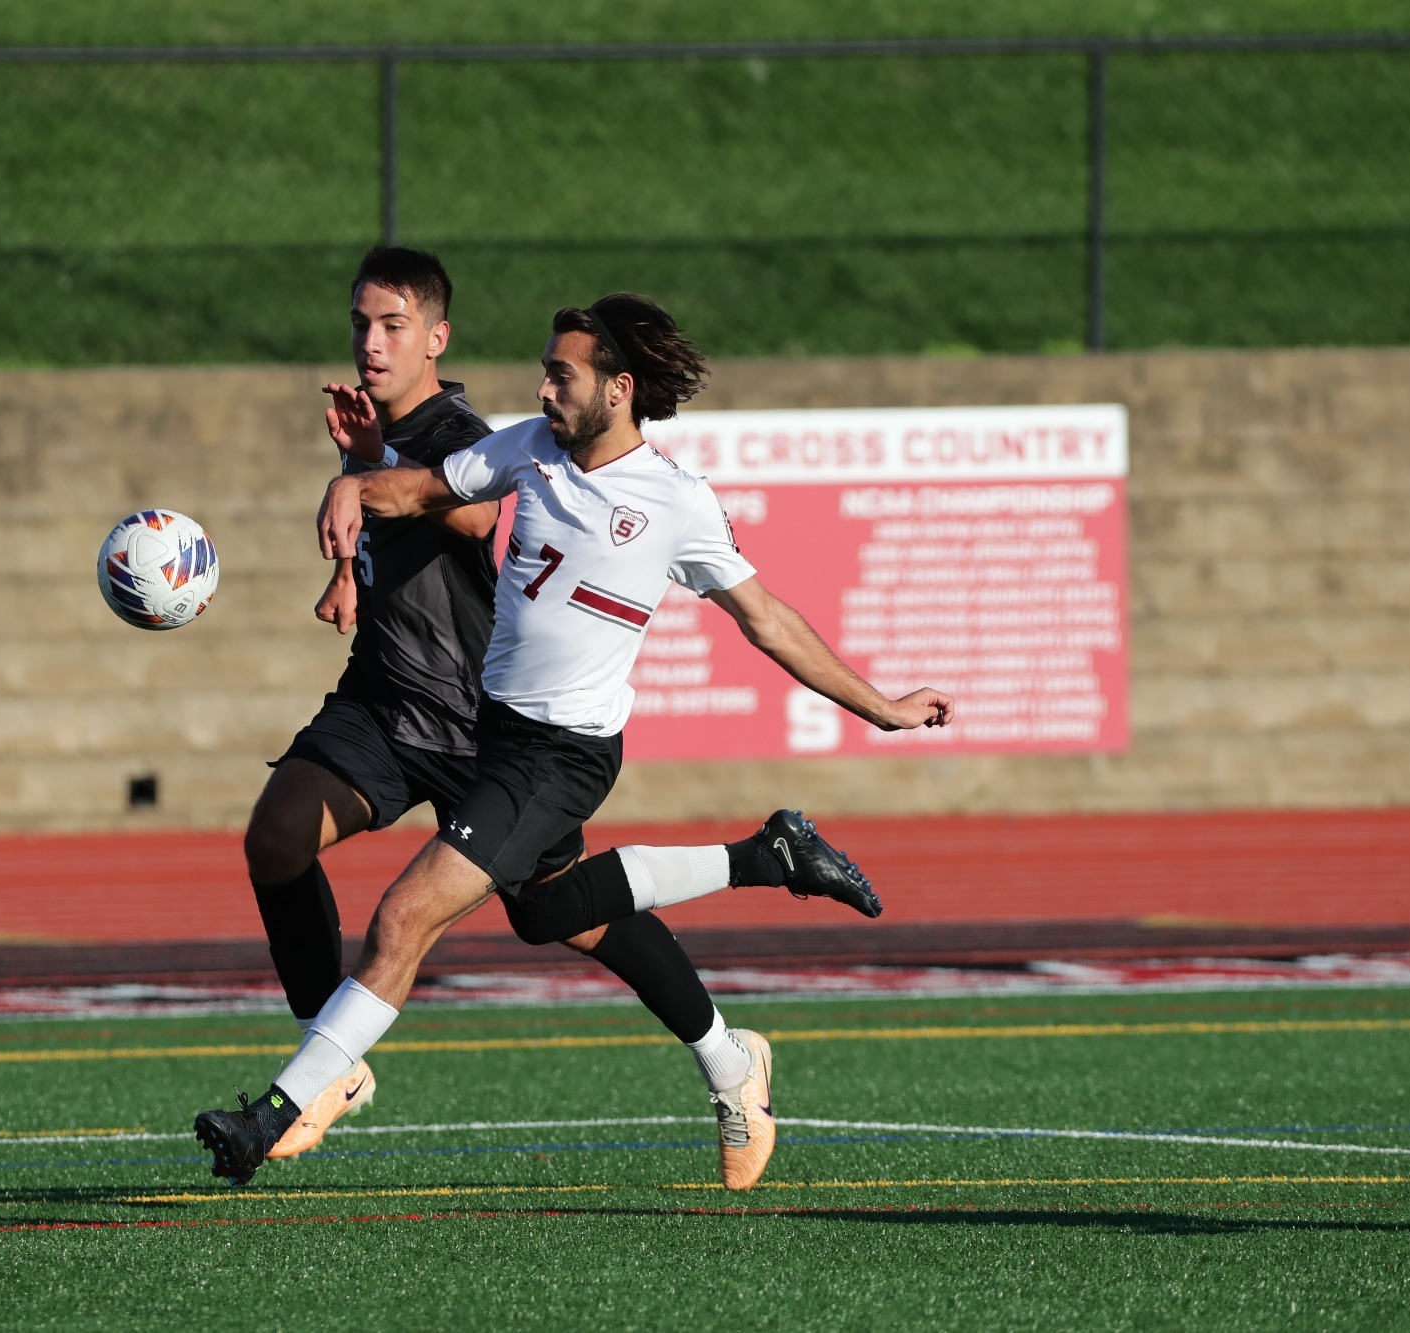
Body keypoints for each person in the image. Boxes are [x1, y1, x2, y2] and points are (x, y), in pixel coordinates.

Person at [201, 292, 955, 1188]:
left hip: (561, 758)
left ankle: (272, 1114)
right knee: (556, 913)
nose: (544, 386)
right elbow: (431, 489)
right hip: (498, 737)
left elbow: (768, 620)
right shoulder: (531, 447)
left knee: (405, 916)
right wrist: (354, 483)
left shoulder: (674, 502)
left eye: (562, 374)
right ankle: (758, 906)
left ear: (619, 389)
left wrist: (880, 706)